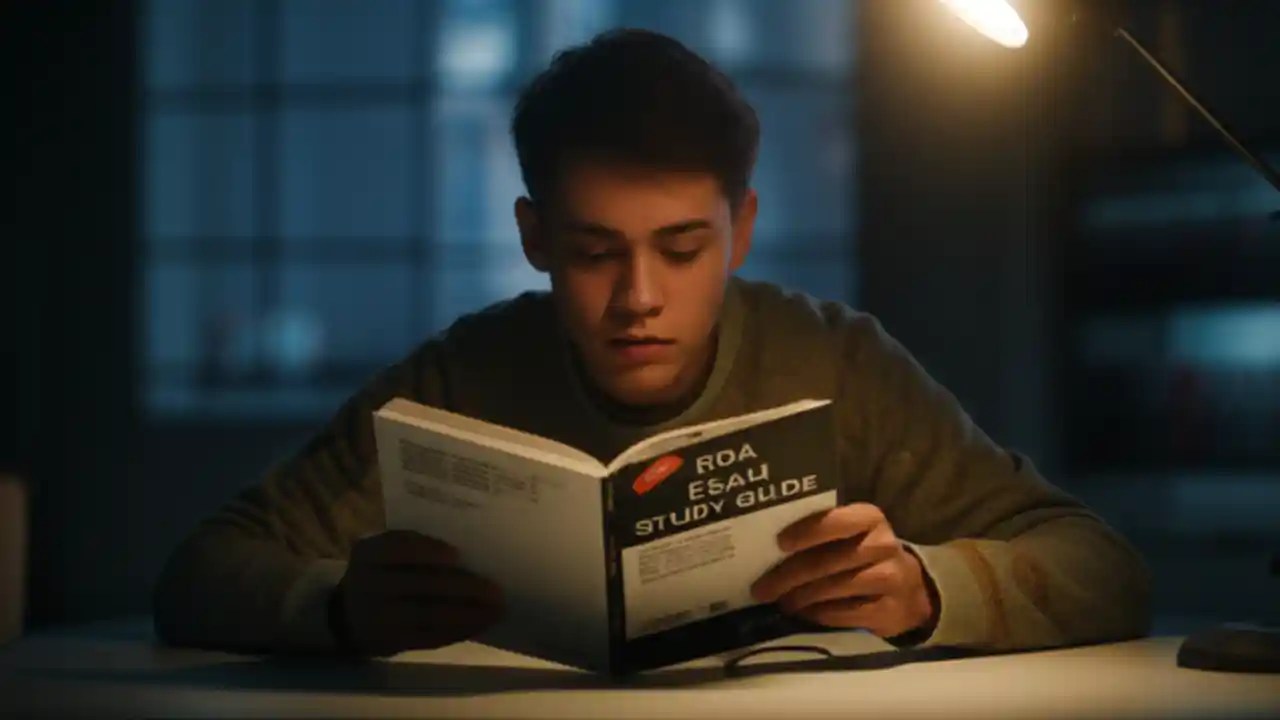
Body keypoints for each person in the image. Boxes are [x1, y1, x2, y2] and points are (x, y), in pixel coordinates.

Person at [153, 28, 1150, 659]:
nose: (637, 297)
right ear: (532, 237)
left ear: (742, 230)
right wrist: (336, 609)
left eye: (681, 250)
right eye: (592, 252)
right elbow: (202, 571)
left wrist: (926, 589)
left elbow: (1102, 569)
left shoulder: (833, 359)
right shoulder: (462, 373)